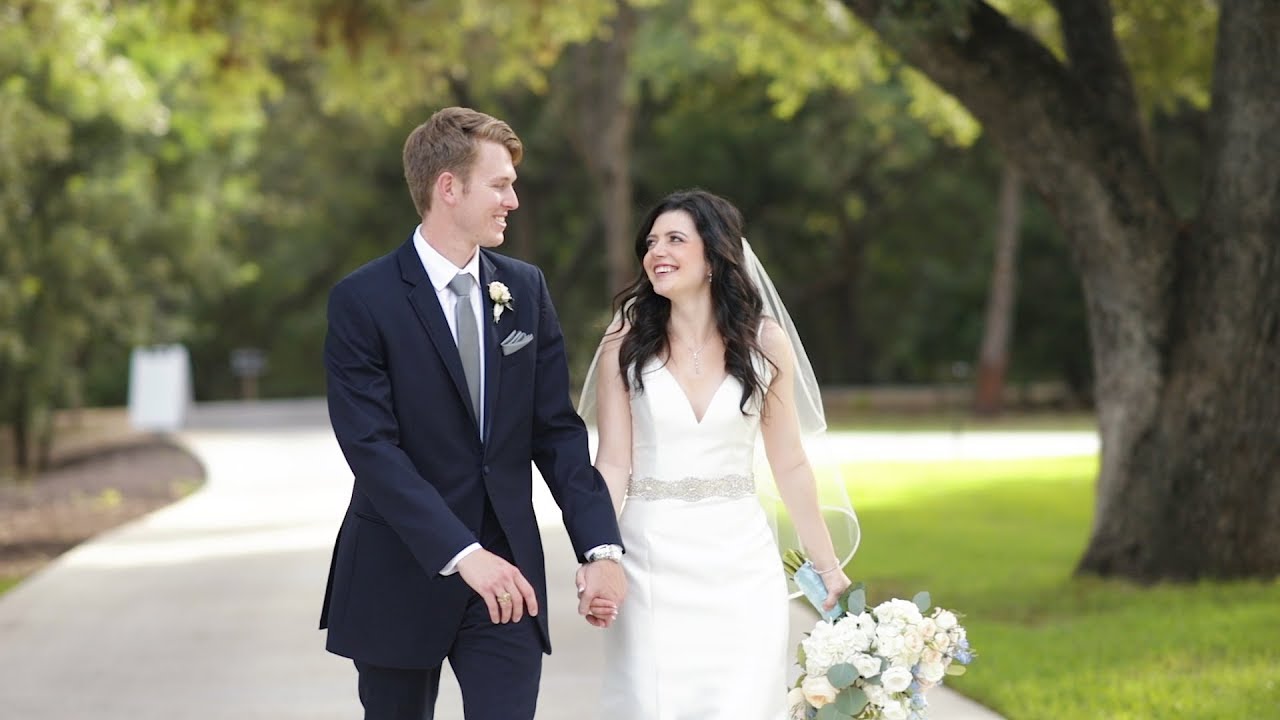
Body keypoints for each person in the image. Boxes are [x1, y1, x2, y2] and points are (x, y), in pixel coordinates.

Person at [320, 106, 626, 720]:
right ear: (449, 188)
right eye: (501, 184)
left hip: (508, 576)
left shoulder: (526, 289)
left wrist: (601, 550)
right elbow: (373, 449)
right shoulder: (363, 300)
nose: (513, 200)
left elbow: (556, 432)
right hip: (400, 569)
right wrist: (463, 554)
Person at [579, 189, 854, 718]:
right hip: (650, 560)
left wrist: (828, 567)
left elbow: (790, 462)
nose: (657, 251)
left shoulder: (764, 342)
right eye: (651, 241)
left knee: (743, 703)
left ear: (714, 255)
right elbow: (612, 462)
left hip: (742, 565)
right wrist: (597, 554)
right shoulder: (625, 340)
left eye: (675, 239)